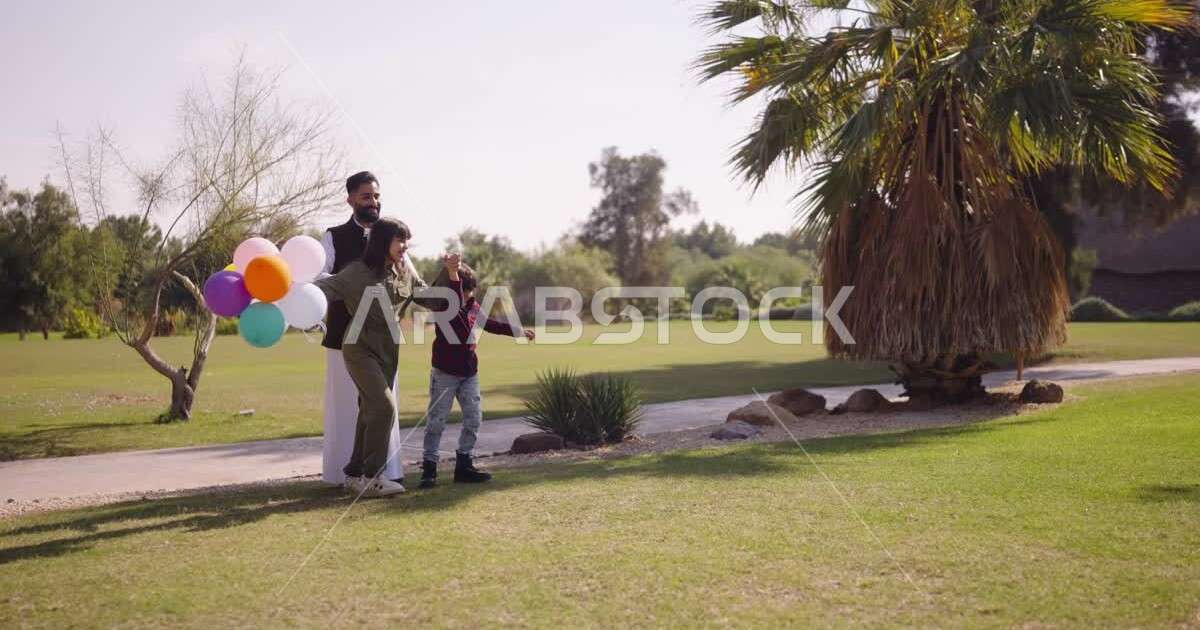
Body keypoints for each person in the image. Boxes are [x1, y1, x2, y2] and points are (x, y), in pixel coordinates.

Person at [314, 217, 429, 498]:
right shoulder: (356, 272)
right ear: (382, 242)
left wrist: (452, 278)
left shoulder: (404, 272)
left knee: (369, 411)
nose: (405, 246)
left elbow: (431, 297)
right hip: (359, 347)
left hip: (388, 350)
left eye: (406, 240)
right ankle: (373, 477)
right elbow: (320, 291)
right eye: (399, 240)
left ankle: (354, 474)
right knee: (384, 406)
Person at [418, 253, 535, 489]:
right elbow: (454, 300)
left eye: (471, 291)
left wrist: (517, 331)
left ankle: (464, 465)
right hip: (445, 373)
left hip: (469, 373)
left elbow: (490, 324)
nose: (469, 296)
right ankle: (429, 469)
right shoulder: (444, 308)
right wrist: (452, 274)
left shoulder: (472, 305)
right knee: (436, 422)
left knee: (474, 418)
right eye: (464, 291)